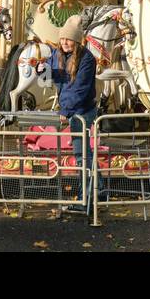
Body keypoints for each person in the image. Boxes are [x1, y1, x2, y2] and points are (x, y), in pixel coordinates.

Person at [39, 17, 105, 215]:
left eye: (69, 40)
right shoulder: (57, 54)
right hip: (72, 110)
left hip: (82, 111)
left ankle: (87, 198)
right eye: (62, 39)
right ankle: (98, 190)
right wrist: (41, 71)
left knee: (81, 154)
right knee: (84, 153)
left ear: (77, 41)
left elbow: (79, 89)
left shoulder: (87, 59)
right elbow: (50, 80)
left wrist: (65, 112)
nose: (65, 43)